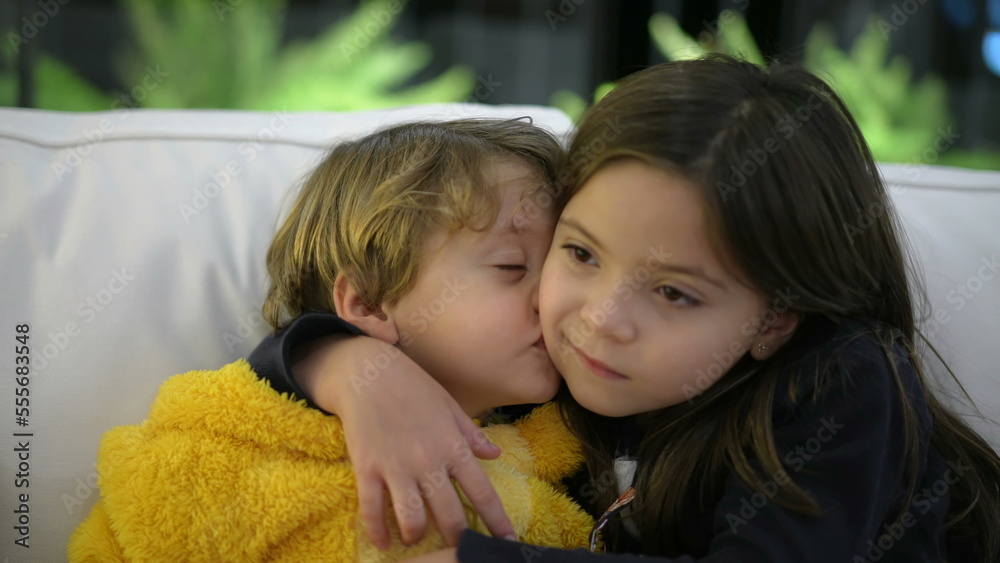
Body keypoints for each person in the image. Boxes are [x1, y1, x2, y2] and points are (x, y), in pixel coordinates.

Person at [246, 54, 1000, 562]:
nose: (600, 318)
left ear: (776, 318)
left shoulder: (842, 384)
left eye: (675, 292)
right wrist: (353, 365)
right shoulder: (549, 370)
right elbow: (256, 385)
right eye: (576, 254)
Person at [67, 118, 597, 562]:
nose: (550, 298)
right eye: (511, 266)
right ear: (367, 303)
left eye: (560, 267)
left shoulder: (575, 433)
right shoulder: (253, 436)